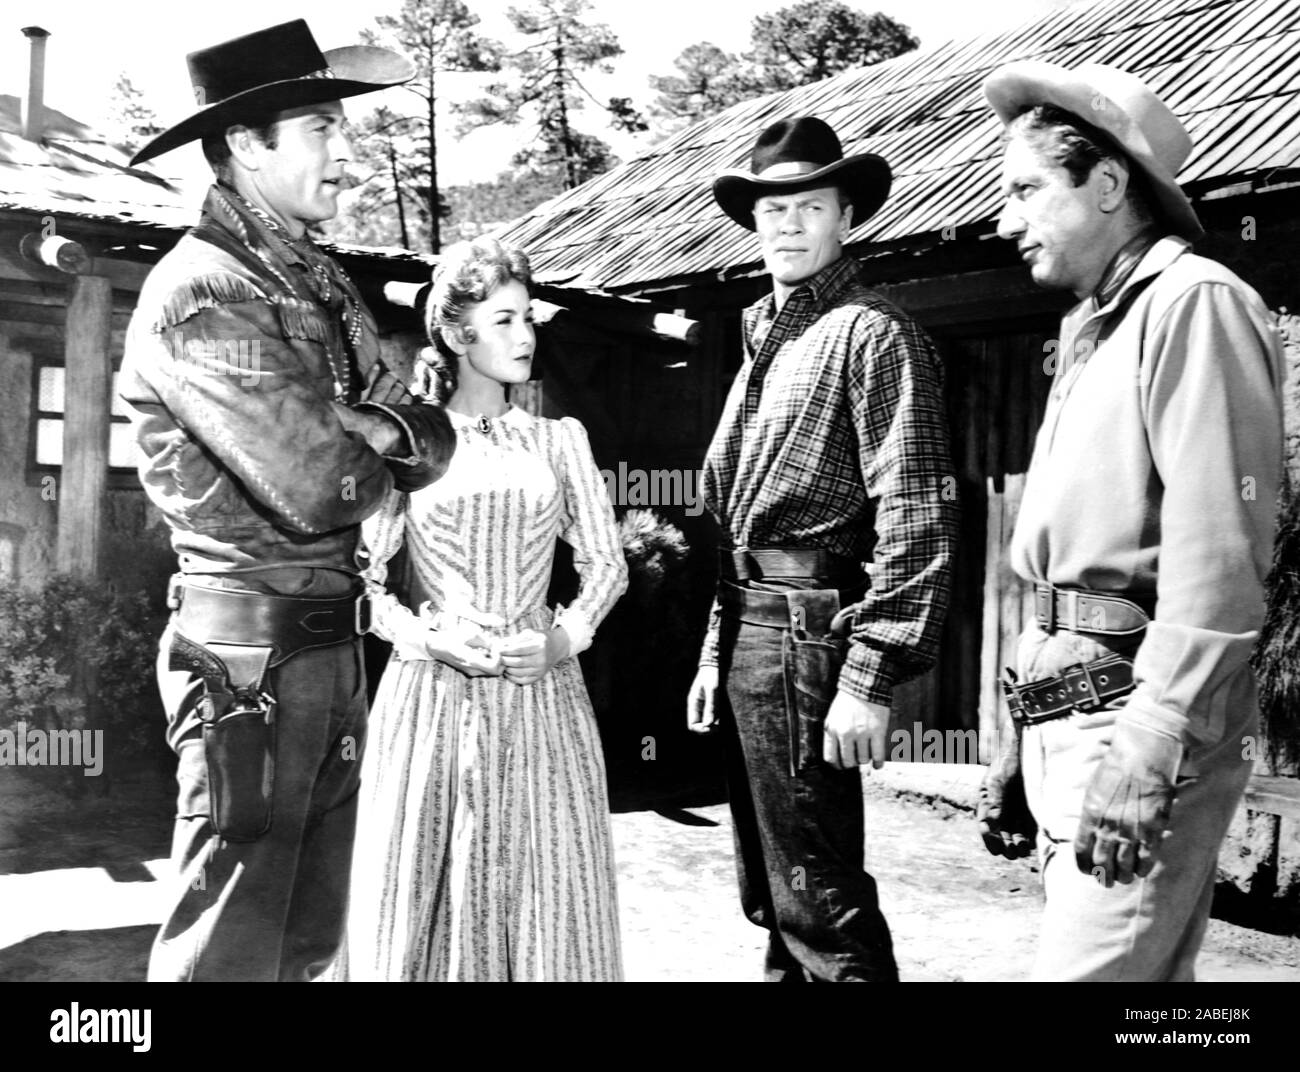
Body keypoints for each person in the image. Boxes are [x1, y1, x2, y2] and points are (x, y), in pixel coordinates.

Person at [119, 20, 457, 982]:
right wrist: (373, 429)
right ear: (243, 147)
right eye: (318, 127)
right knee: (229, 941)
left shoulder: (318, 284)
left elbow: (431, 433)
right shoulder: (203, 294)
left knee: (307, 945)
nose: (345, 153)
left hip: (327, 648)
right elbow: (319, 485)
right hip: (250, 661)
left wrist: (375, 427)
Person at [976, 61, 1284, 981]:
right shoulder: (1095, 325)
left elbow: (1220, 561)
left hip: (1136, 722)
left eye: (1027, 190)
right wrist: (1015, 743)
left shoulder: (1194, 306)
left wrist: (1151, 743)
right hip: (1067, 716)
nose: (1006, 219)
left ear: (1107, 184)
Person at [686, 116, 958, 982]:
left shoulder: (872, 333)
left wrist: (870, 676)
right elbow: (734, 524)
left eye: (810, 205)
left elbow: (916, 512)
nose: (788, 224)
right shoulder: (767, 335)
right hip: (747, 625)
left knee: (823, 905)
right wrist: (709, 652)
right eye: (772, 208)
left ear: (847, 216)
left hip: (809, 630)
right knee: (774, 895)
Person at [335, 237, 628, 982]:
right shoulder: (411, 446)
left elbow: (606, 563)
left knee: (544, 897)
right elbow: (365, 585)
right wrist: (430, 643)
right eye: (503, 320)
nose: (526, 336)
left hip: (541, 702)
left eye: (528, 318)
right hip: (432, 699)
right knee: (425, 897)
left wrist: (563, 638)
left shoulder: (559, 439)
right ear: (458, 334)